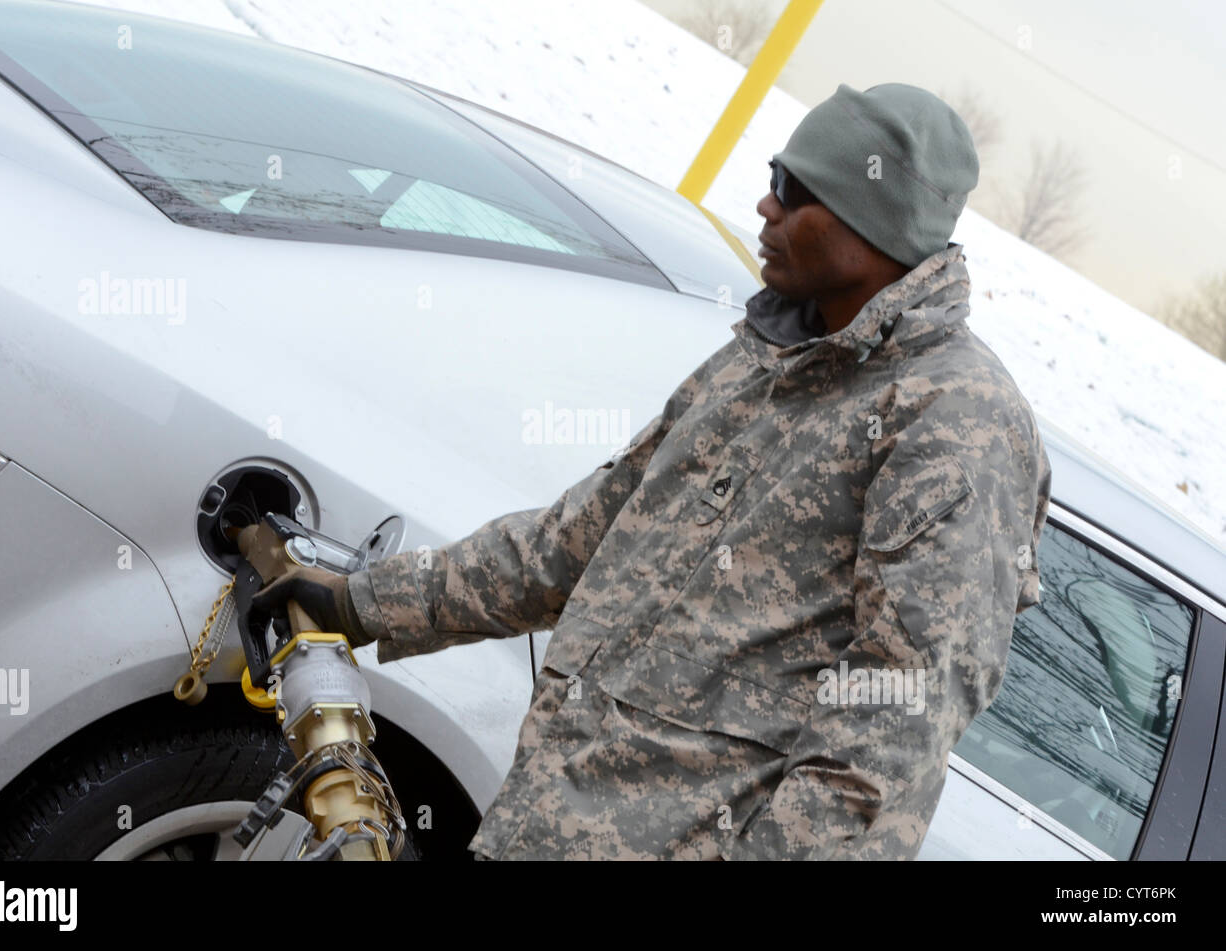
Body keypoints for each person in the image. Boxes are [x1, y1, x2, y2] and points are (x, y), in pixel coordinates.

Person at [254, 82, 1052, 860]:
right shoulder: (763, 361)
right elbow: (577, 538)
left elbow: (885, 741)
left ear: (868, 220)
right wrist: (364, 601)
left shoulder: (957, 421)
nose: (764, 207)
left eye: (790, 188)